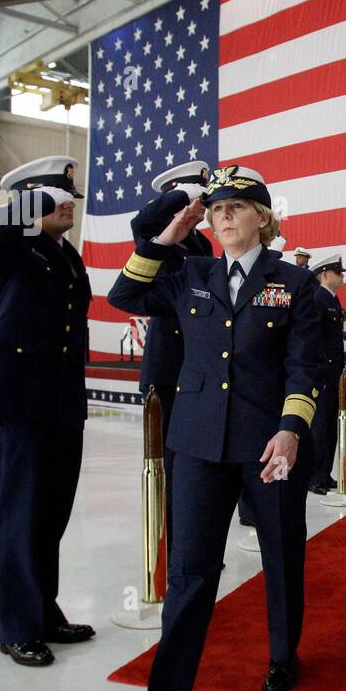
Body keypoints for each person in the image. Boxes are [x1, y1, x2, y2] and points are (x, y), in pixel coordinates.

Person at [102, 165, 324, 691]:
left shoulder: (294, 284)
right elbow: (123, 294)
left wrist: (291, 428)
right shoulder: (189, 273)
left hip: (266, 446)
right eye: (216, 207)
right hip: (197, 444)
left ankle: (282, 655)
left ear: (264, 218)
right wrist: (166, 238)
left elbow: (307, 368)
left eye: (237, 206)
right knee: (189, 575)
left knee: (280, 553)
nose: (223, 214)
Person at [0, 156, 95, 668]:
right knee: (19, 515)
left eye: (68, 198)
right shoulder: (5, 249)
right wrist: (32, 201)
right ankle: (17, 626)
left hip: (61, 402)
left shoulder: (64, 255)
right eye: (55, 198)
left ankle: (45, 611)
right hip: (15, 402)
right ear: (26, 201)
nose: (68, 207)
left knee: (50, 516)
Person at [130, 160, 215, 548]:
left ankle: (189, 539)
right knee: (164, 460)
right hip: (167, 366)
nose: (201, 209)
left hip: (197, 366)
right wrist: (183, 195)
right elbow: (142, 222)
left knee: (193, 461)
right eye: (196, 200)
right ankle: (165, 541)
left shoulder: (201, 244)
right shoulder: (154, 232)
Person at [309, 253, 346, 494]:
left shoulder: (332, 299)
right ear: (324, 274)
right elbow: (314, 339)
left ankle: (325, 473)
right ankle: (314, 477)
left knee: (330, 428)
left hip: (333, 374)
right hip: (322, 374)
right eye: (338, 272)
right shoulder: (318, 299)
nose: (342, 276)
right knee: (319, 428)